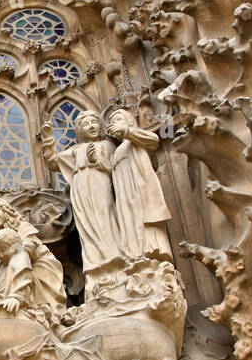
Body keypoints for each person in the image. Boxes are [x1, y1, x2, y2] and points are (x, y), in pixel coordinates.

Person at [41, 111, 123, 275]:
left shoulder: (107, 146)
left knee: (105, 218)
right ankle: (95, 262)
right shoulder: (76, 150)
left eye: (94, 122)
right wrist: (48, 137)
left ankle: (113, 257)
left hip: (101, 186)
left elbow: (119, 172)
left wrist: (97, 161)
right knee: (87, 224)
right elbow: (53, 161)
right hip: (80, 190)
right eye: (86, 124)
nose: (91, 126)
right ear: (79, 130)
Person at [107, 109, 172, 260]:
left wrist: (128, 131)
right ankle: (135, 253)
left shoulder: (135, 139)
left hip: (141, 190)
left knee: (145, 220)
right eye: (112, 123)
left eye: (118, 120)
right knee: (130, 222)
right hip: (126, 198)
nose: (115, 124)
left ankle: (155, 249)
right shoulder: (117, 151)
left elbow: (153, 140)